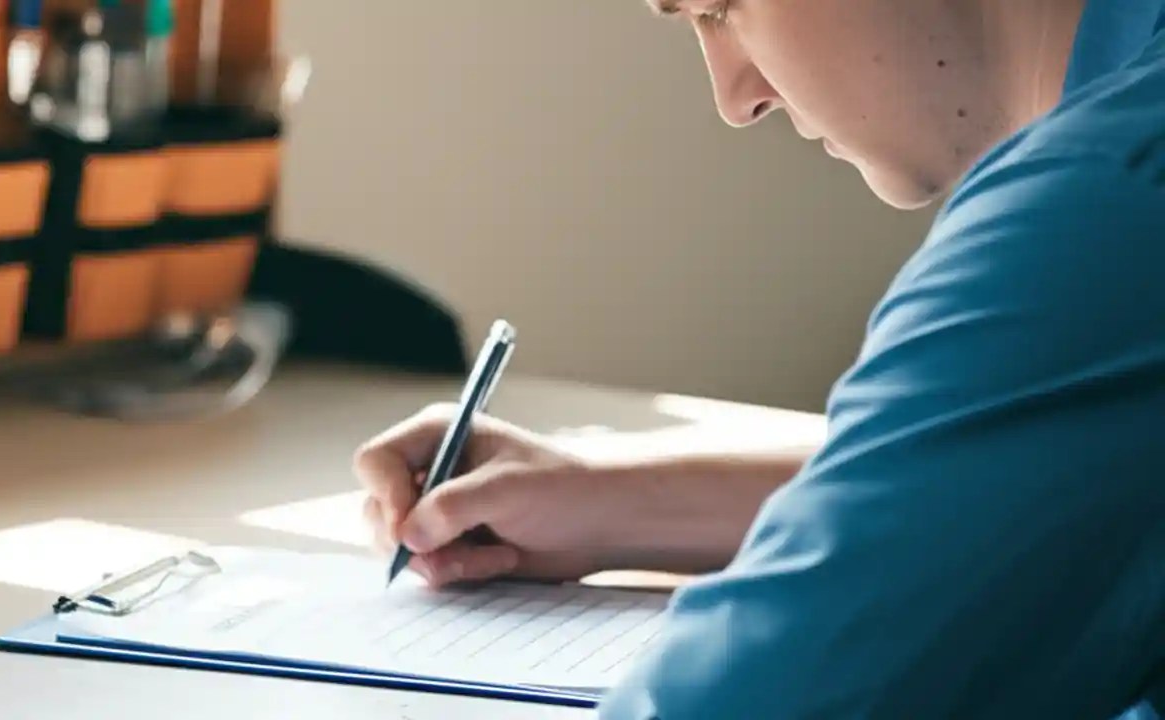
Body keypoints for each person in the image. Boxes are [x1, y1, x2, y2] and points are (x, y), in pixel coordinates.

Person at [353, 0, 1165, 717]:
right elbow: (1042, 467)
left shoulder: (1105, 206)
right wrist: (621, 506)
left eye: (720, 9)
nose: (735, 97)